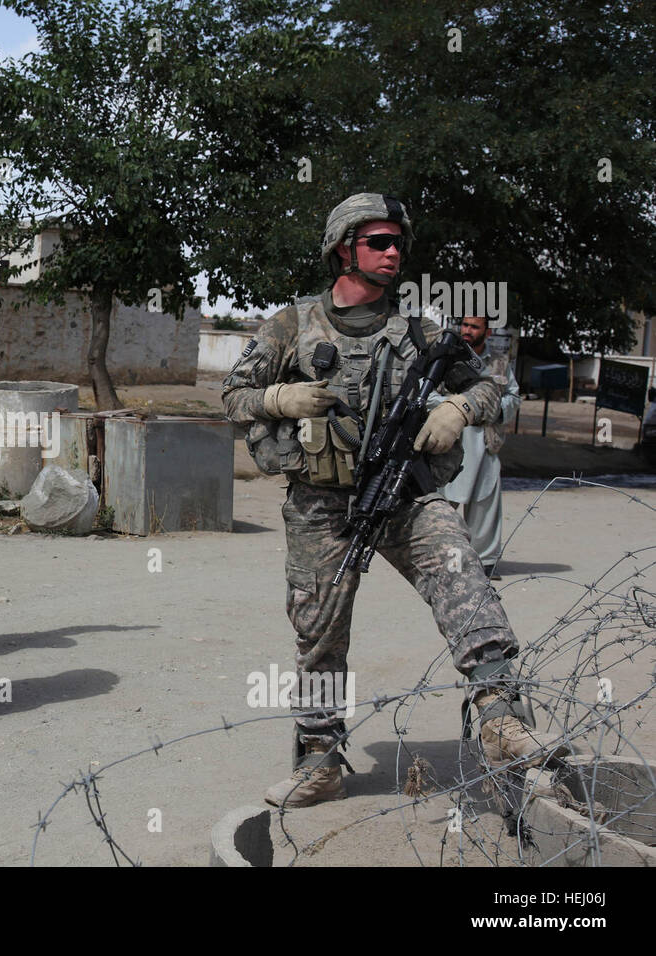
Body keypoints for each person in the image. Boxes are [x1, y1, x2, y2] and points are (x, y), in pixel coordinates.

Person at [219, 193, 564, 807]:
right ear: (342, 250)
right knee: (319, 632)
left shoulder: (418, 330)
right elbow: (234, 396)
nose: (392, 252)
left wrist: (460, 408)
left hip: (406, 493)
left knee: (465, 579)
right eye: (378, 242)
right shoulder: (292, 325)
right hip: (322, 503)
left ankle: (500, 716)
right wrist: (279, 400)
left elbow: (489, 385)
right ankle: (320, 758)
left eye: (398, 242)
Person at [432, 315, 520, 579]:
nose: (467, 331)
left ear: (487, 331)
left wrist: (486, 410)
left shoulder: (499, 364)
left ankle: (485, 561)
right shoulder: (445, 357)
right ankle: (441, 557)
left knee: (485, 502)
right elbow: (427, 393)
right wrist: (452, 409)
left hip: (484, 441)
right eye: (465, 325)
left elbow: (513, 397)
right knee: (441, 504)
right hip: (449, 440)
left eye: (474, 327)